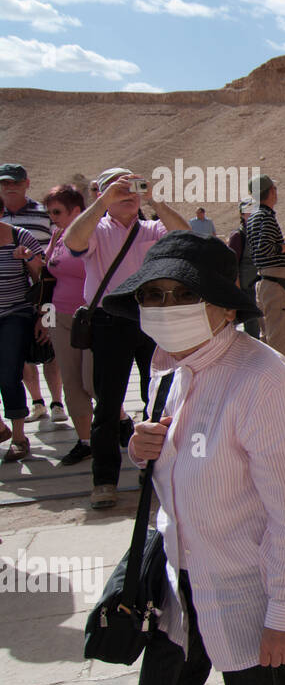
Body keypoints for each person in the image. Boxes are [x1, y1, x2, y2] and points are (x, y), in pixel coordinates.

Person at [107, 232, 285, 685]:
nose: (167, 308)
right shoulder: (167, 370)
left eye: (184, 295)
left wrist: (282, 614)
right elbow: (177, 468)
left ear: (224, 307)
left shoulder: (262, 378)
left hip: (245, 588)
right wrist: (143, 447)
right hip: (177, 580)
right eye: (154, 296)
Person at [63, 167, 188, 509]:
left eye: (134, 185)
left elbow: (186, 236)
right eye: (119, 188)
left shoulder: (151, 228)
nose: (128, 193)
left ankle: (154, 469)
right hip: (109, 321)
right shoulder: (97, 229)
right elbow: (73, 241)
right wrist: (103, 202)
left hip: (150, 318)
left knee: (160, 397)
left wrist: (156, 201)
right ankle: (104, 479)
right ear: (102, 194)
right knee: (107, 403)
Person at [1, 164, 64, 425]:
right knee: (17, 359)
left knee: (50, 348)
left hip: (46, 293)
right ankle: (36, 401)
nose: (9, 186)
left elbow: (60, 243)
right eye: (4, 182)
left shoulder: (43, 213)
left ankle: (57, 402)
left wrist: (35, 261)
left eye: (15, 182)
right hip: (15, 301)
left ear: (27, 183)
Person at [41, 186, 96, 466]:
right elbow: (50, 269)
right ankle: (85, 441)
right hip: (60, 316)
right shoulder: (57, 234)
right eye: (50, 213)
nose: (53, 218)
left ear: (77, 210)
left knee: (93, 380)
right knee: (72, 382)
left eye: (57, 212)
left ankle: (118, 420)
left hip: (93, 316)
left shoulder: (96, 230)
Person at [0, 213, 44, 460]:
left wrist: (28, 258)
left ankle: (19, 438)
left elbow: (42, 278)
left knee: (8, 375)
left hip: (15, 314)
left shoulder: (20, 236)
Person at [245, 175, 285, 358]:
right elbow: (266, 248)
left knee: (268, 338)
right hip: (275, 285)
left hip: (266, 282)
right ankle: (280, 383)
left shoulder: (254, 216)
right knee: (278, 340)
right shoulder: (265, 217)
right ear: (270, 192)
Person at [225, 198, 261, 341]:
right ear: (242, 215)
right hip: (245, 286)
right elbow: (231, 265)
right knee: (250, 323)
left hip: (259, 284)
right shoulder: (238, 236)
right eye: (248, 212)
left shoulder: (259, 233)